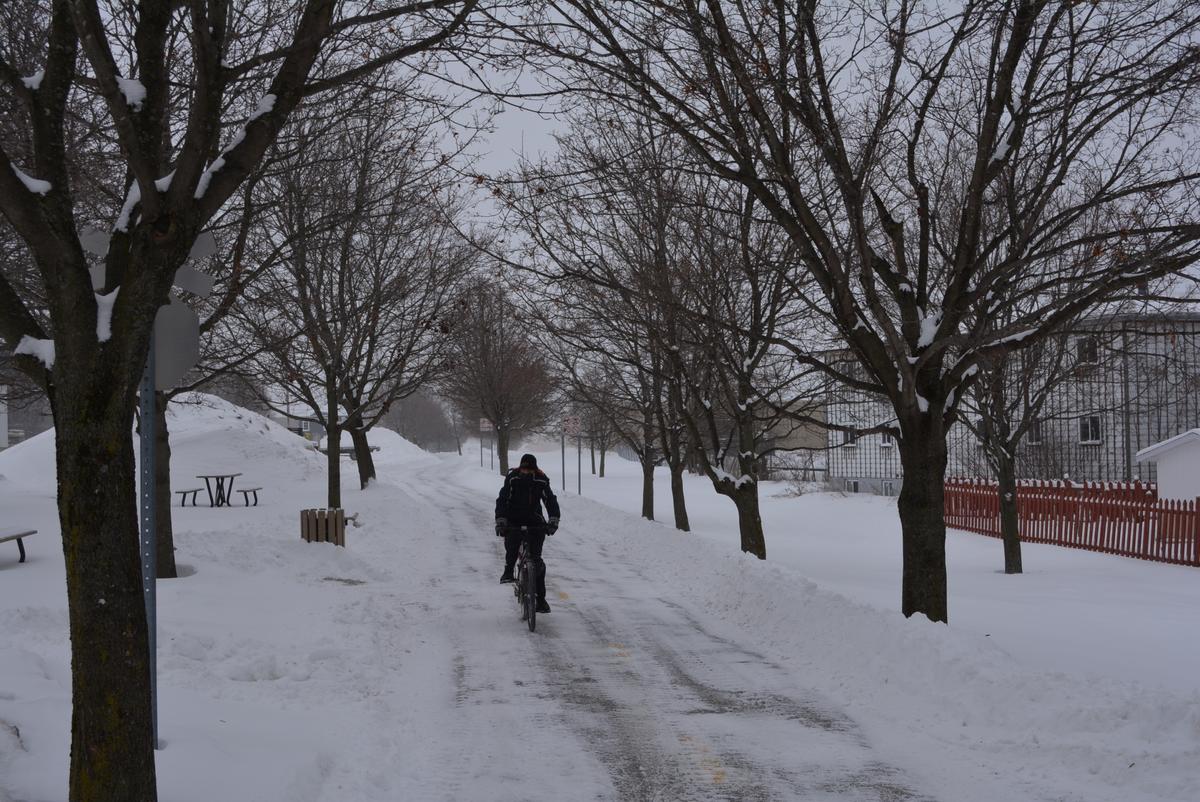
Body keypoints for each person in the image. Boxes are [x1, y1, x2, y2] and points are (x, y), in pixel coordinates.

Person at [495, 453, 560, 613]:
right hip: (513, 519)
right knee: (512, 543)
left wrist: (553, 519)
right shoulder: (513, 478)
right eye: (524, 470)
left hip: (534, 520)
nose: (526, 473)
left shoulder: (541, 480)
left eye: (529, 470)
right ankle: (508, 571)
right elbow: (502, 499)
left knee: (537, 562)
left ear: (534, 469)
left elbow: (550, 500)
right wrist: (501, 519)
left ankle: (540, 600)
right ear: (520, 468)